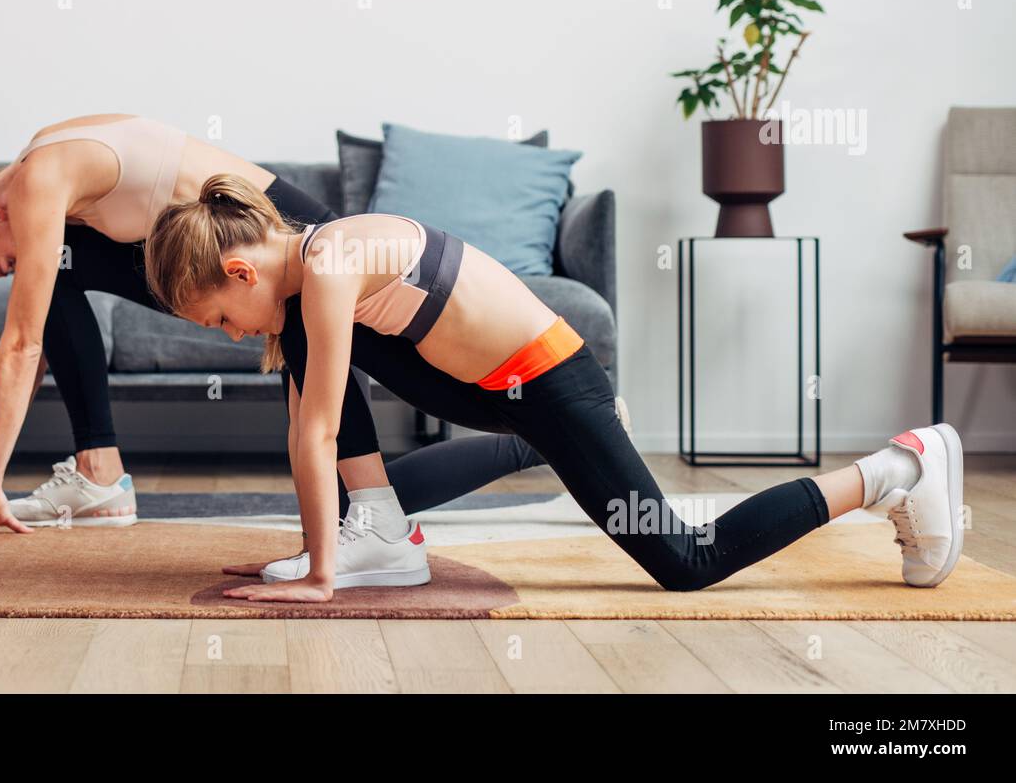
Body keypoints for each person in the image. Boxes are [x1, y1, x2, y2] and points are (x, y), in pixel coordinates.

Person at [145, 174, 965, 603]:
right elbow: (308, 424)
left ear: (240, 268)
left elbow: (318, 432)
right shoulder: (301, 291)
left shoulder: (327, 265)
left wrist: (320, 572)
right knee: (304, 356)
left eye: (219, 315)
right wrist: (321, 549)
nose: (229, 332)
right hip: (491, 390)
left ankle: (897, 468)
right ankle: (379, 530)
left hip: (551, 383)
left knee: (684, 559)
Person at [0, 114, 543, 548]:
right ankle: (100, 476)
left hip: (279, 239)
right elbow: (43, 321)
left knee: (360, 496)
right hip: (217, 252)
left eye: (6, 263)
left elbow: (20, 344)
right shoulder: (41, 160)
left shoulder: (39, 180)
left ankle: (542, 435)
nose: (19, 270)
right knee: (61, 276)